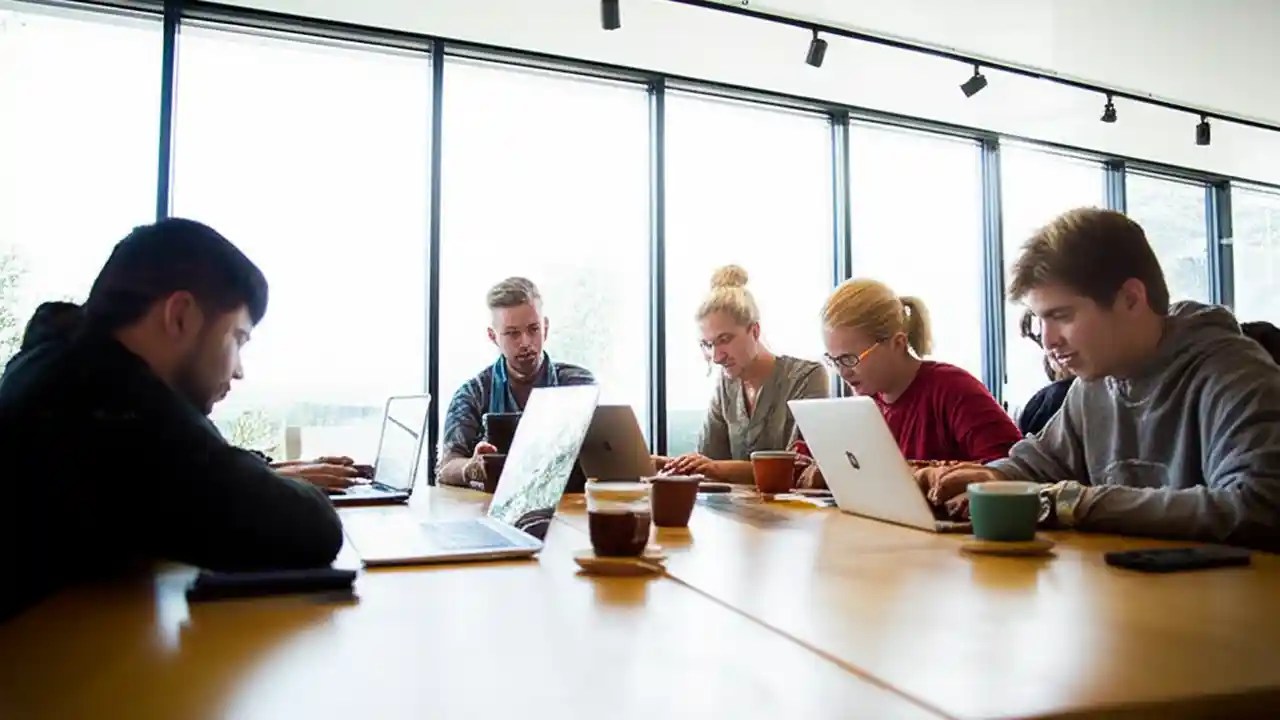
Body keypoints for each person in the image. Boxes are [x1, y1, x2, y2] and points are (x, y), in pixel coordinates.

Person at [0, 218, 343, 621]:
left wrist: (256, 473)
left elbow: (191, 472)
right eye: (237, 339)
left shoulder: (59, 365)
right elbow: (313, 530)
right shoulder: (112, 406)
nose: (239, 370)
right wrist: (259, 482)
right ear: (180, 316)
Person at [919, 208, 1280, 550]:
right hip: (1130, 586)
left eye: (1062, 315)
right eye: (1039, 320)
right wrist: (994, 479)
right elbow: (1036, 465)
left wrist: (1076, 503)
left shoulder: (1236, 374)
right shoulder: (1091, 386)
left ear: (1131, 299)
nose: (1048, 340)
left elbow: (1257, 507)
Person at [799, 278, 1021, 489]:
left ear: (898, 343)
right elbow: (806, 456)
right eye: (834, 361)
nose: (842, 372)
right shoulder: (863, 406)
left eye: (850, 359)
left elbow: (1012, 469)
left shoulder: (953, 389)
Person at [657, 266, 826, 484]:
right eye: (707, 344)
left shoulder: (806, 377)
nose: (716, 357)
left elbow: (796, 470)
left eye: (724, 340)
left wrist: (713, 467)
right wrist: (661, 463)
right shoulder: (726, 386)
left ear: (754, 331)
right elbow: (706, 463)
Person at [437, 277, 595, 489]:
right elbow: (447, 466)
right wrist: (470, 468)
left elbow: (603, 456)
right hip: (491, 506)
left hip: (569, 504)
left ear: (546, 327)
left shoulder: (579, 386)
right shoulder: (473, 393)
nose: (526, 343)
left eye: (533, 329)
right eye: (512, 334)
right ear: (493, 336)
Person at [1015, 308, 1075, 436]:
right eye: (1041, 326)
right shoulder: (1044, 401)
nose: (1047, 342)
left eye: (1062, 317)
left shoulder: (1054, 399)